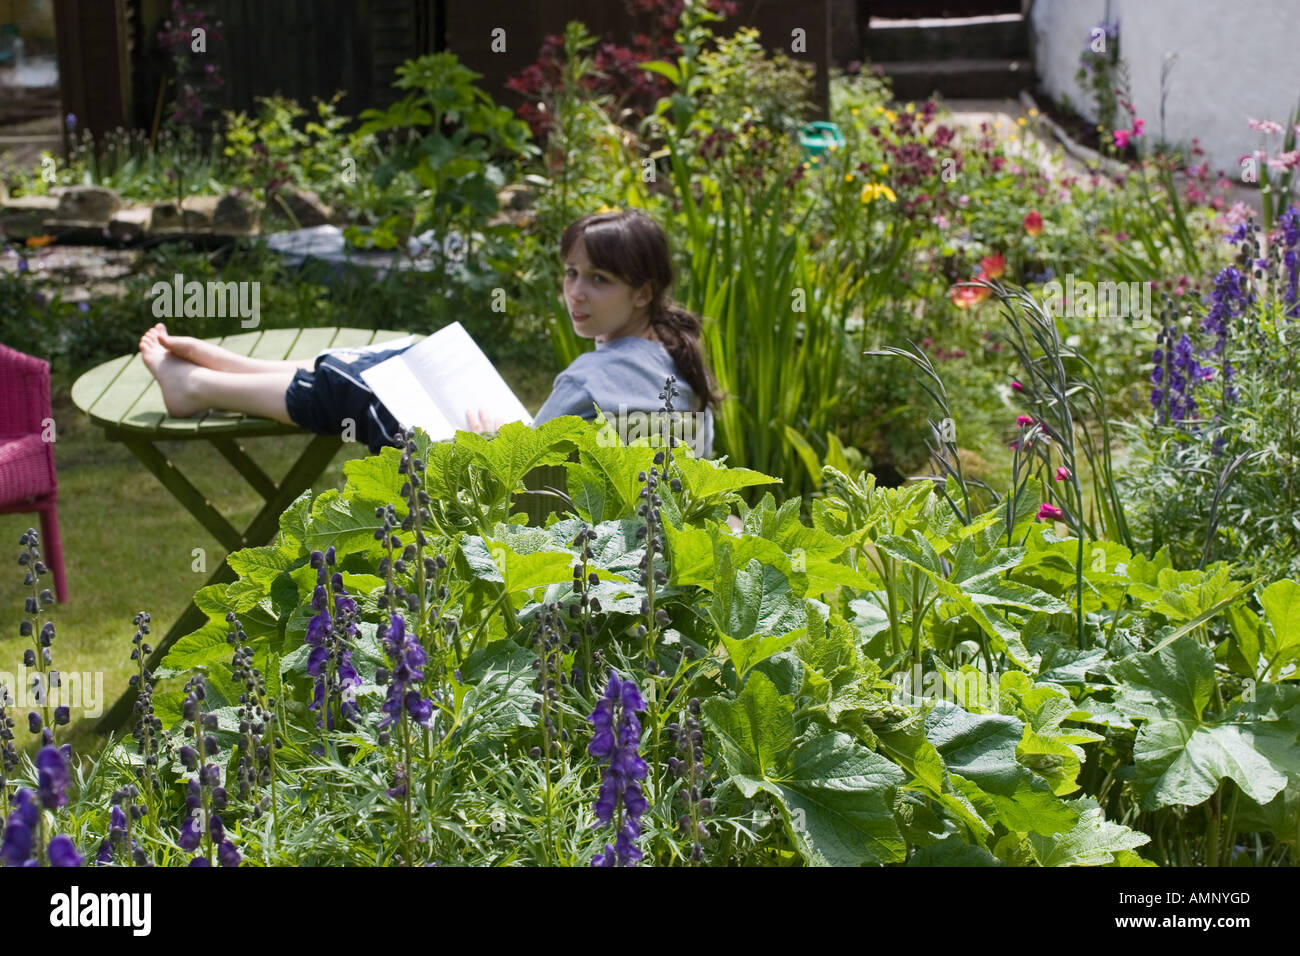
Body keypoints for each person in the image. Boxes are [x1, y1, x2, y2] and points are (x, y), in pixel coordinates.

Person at [138, 208, 723, 457]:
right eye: (571, 274)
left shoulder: (591, 379)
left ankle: (197, 389)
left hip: (485, 496)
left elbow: (524, 482)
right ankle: (230, 368)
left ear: (642, 291)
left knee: (359, 388)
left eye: (599, 280)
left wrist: (497, 441)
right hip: (587, 513)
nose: (575, 293)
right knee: (408, 354)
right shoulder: (675, 352)